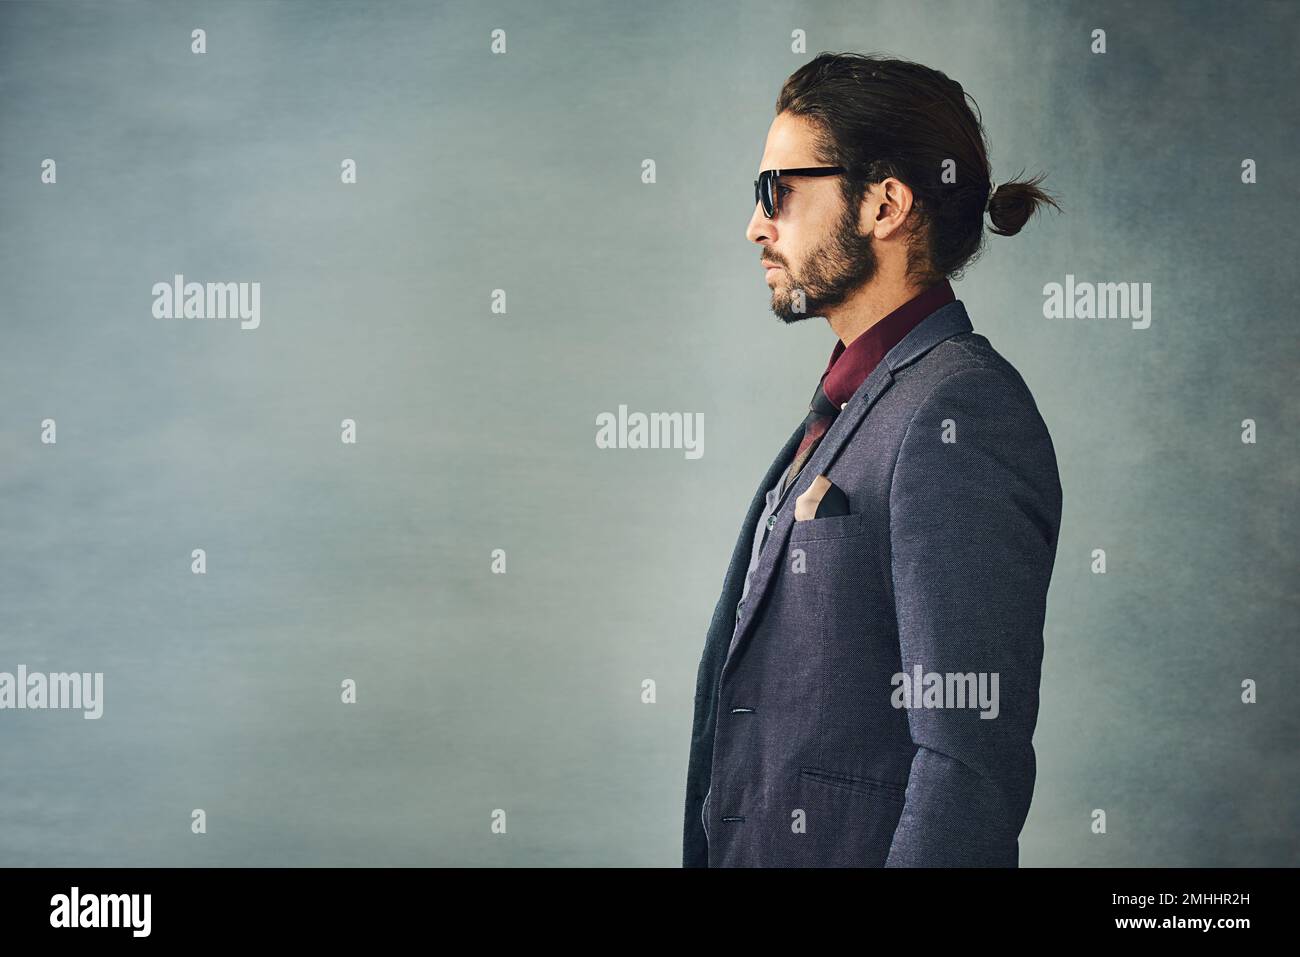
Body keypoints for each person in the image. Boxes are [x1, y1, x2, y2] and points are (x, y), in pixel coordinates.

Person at [683, 52, 1064, 867]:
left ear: (884, 203)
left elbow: (967, 765)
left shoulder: (961, 410)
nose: (756, 224)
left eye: (776, 192)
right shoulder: (856, 399)